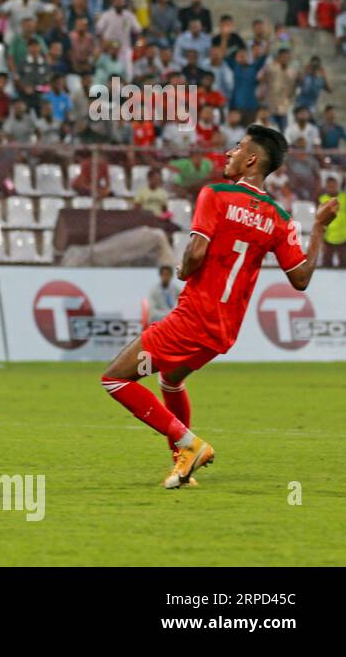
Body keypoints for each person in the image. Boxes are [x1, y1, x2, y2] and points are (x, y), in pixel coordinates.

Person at [101, 126, 340, 489]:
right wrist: (319, 227)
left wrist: (183, 269)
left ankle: (189, 444)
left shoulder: (216, 194)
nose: (229, 153)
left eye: (238, 147)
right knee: (171, 379)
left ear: (251, 160)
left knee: (115, 378)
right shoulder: (279, 217)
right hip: (224, 331)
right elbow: (301, 278)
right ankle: (182, 465)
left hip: (193, 317)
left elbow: (196, 252)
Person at [320, 176, 346, 267]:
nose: (332, 188)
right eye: (329, 186)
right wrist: (321, 240)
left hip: (343, 237)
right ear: (326, 187)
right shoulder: (322, 199)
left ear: (337, 185)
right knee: (326, 266)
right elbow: (320, 221)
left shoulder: (344, 197)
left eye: (334, 186)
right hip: (328, 238)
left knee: (344, 266)